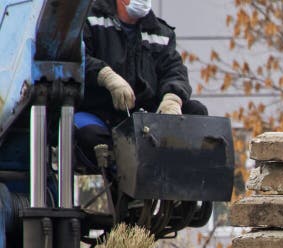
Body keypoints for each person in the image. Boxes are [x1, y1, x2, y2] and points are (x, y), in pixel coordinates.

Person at [75, 0, 207, 167]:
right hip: (98, 113)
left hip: (145, 120)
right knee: (92, 138)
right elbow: (75, 57)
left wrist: (172, 98)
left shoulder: (160, 33)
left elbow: (174, 70)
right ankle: (120, 176)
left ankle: (182, 178)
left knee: (196, 112)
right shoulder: (87, 20)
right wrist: (105, 76)